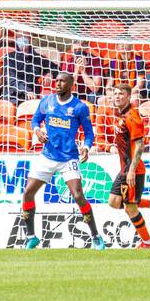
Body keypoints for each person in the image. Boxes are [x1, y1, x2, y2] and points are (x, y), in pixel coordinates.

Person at [17, 72, 102, 250]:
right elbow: (35, 120)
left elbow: (89, 133)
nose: (57, 83)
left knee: (78, 196)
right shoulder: (47, 101)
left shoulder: (79, 107)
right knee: (27, 193)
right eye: (56, 81)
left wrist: (86, 148)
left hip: (68, 158)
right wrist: (37, 131)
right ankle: (31, 237)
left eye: (62, 81)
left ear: (71, 84)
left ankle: (95, 236)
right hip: (47, 155)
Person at [103, 83, 150, 247]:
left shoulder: (132, 117)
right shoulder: (121, 115)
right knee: (114, 202)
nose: (117, 96)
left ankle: (147, 242)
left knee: (130, 207)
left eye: (121, 94)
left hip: (133, 171)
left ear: (129, 97)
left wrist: (131, 171)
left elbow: (140, 145)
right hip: (125, 169)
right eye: (115, 93)